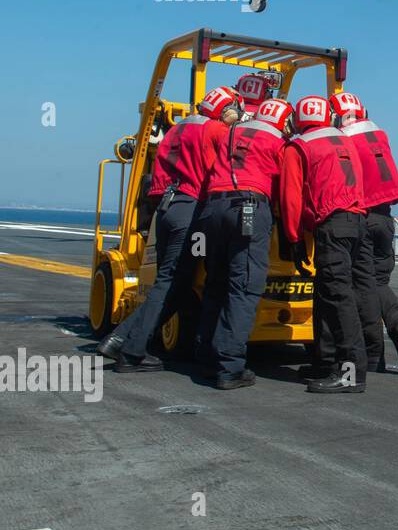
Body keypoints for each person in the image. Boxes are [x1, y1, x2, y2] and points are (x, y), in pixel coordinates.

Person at [99, 86, 239, 372]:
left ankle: (121, 340)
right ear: (226, 111)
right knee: (172, 281)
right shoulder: (216, 131)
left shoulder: (176, 129)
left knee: (177, 283)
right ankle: (129, 348)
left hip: (165, 210)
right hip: (190, 208)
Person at [193, 97, 291, 389]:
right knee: (244, 287)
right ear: (283, 121)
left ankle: (206, 355)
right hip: (249, 207)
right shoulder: (279, 142)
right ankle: (230, 366)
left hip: (214, 207)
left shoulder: (233, 130)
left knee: (216, 283)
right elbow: (286, 186)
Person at [280, 95, 371, 394]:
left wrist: (293, 238)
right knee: (327, 295)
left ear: (297, 120)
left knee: (337, 297)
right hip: (357, 221)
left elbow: (291, 197)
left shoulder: (299, 146)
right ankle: (327, 361)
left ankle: (350, 373)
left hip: (332, 223)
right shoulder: (345, 139)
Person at [332, 91, 398, 374]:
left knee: (364, 287)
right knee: (379, 282)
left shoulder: (342, 139)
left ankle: (373, 354)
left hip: (362, 215)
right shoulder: (378, 134)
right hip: (385, 217)